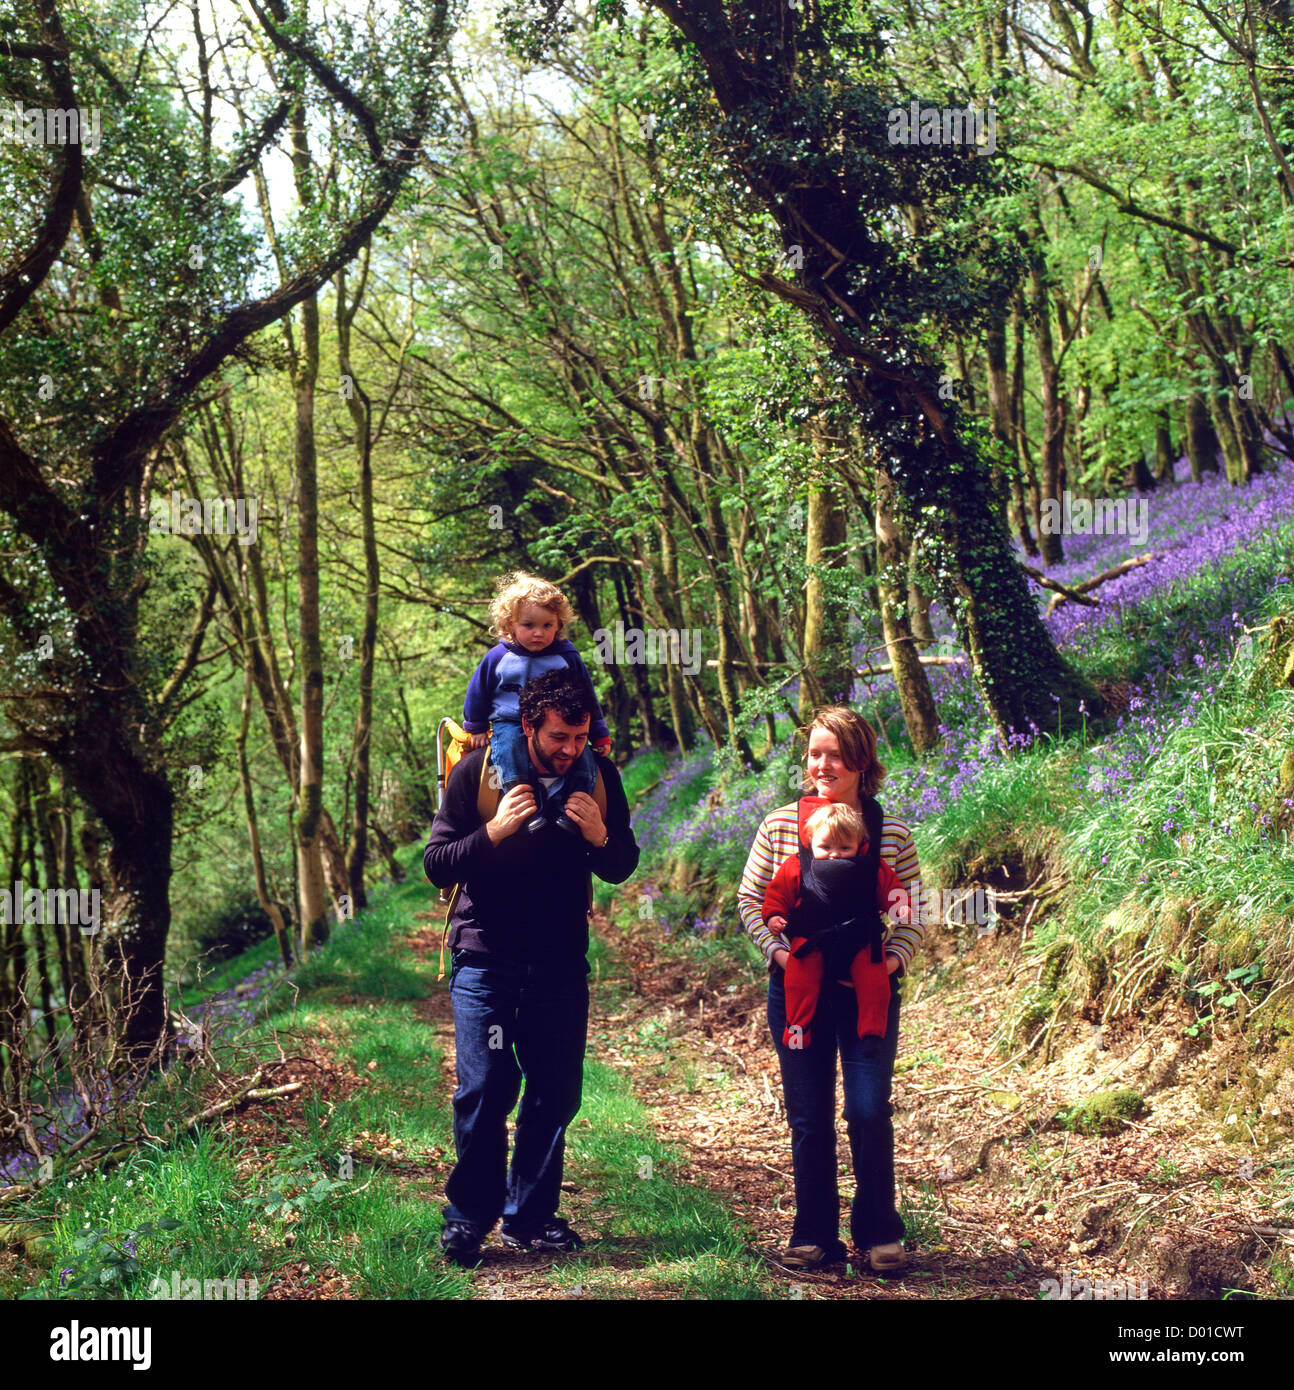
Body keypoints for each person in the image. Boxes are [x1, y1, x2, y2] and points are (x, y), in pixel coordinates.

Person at [424, 668, 639, 1266]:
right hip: (485, 959)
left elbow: (621, 863)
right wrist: (494, 830)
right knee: (487, 1087)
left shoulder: (599, 779)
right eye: (556, 738)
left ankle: (530, 1218)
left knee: (554, 1092)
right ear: (528, 726)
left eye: (578, 737)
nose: (568, 750)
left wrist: (599, 836)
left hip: (560, 964)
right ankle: (468, 1218)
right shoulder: (479, 773)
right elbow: (437, 864)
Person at [737, 706, 925, 1273]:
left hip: (867, 991)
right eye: (815, 753)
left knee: (868, 1110)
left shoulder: (890, 833)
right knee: (809, 1116)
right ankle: (814, 1233)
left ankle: (877, 1232)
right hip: (797, 992)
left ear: (861, 760)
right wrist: (782, 956)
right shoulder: (778, 826)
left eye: (835, 754)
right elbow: (751, 902)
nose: (822, 764)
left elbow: (911, 912)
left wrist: (891, 963)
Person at [462, 571, 612, 837]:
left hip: (560, 723)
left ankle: (573, 809)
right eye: (528, 625)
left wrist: (599, 733)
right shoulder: (498, 657)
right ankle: (526, 810)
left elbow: (587, 695)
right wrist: (475, 726)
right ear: (510, 624)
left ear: (559, 625)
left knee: (584, 758)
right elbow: (478, 691)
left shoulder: (566, 655)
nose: (538, 634)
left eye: (547, 626)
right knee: (508, 751)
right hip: (509, 719)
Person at [763, 800, 911, 1052]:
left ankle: (872, 1031)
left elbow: (890, 887)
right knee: (799, 982)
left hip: (859, 937)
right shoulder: (797, 865)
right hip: (811, 939)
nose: (834, 853)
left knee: (874, 982)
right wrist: (773, 916)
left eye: (845, 847)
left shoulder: (870, 867)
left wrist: (899, 906)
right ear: (810, 842)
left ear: (860, 845)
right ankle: (797, 1028)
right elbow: (778, 893)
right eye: (826, 846)